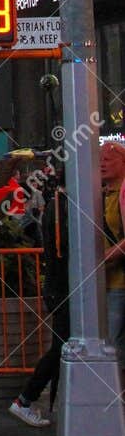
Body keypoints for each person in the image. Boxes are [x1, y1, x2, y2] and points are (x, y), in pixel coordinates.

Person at [10, 166, 69, 427]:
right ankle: (25, 399)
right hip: (65, 287)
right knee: (61, 346)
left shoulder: (57, 205)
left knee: (63, 346)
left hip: (60, 287)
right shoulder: (62, 208)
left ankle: (31, 399)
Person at [100, 138, 125, 368]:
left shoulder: (122, 193)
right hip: (106, 282)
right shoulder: (100, 195)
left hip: (119, 282)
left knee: (113, 346)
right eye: (99, 160)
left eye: (107, 159)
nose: (101, 164)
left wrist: (104, 257)